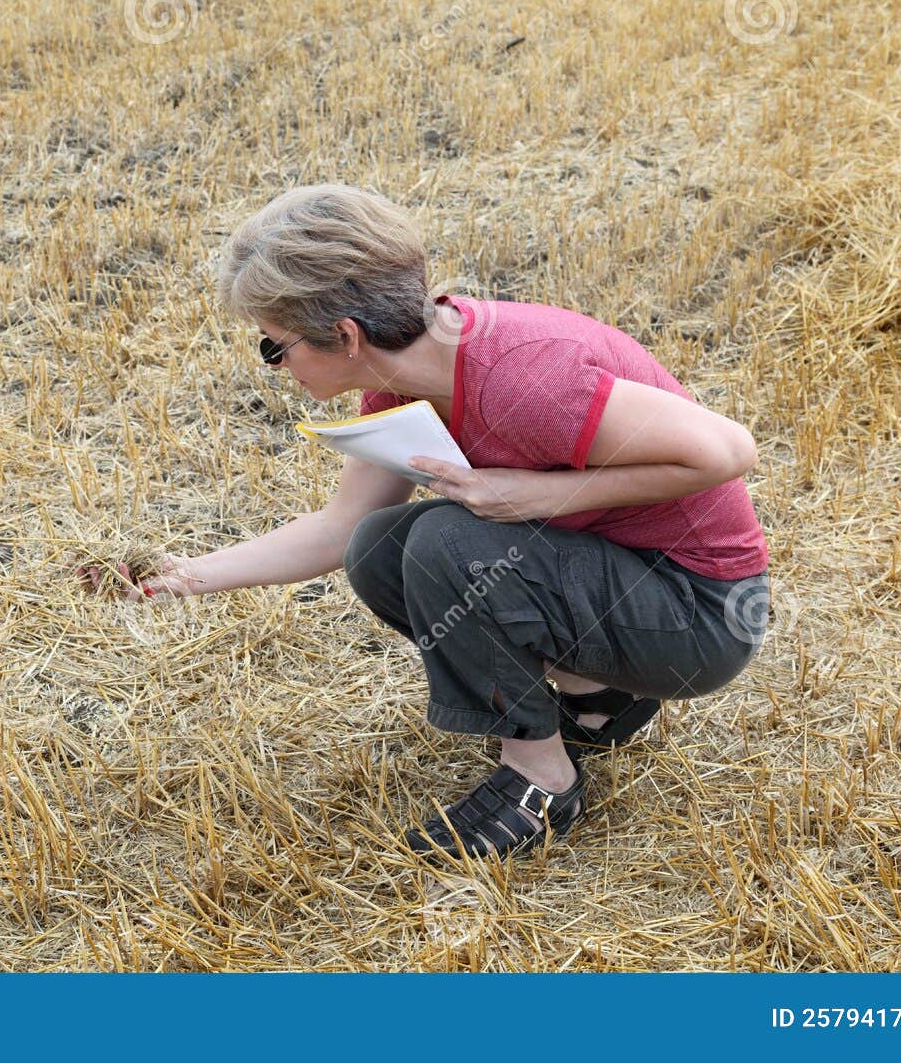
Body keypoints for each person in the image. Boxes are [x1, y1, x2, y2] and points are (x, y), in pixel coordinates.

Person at [80, 183, 771, 861]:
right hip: (626, 585)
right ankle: (600, 700)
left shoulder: (525, 375)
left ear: (345, 335)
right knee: (379, 547)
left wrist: (530, 496)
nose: (276, 366)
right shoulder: (404, 382)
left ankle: (543, 781)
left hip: (701, 616)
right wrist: (181, 577)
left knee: (447, 543)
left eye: (274, 347)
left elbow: (729, 449)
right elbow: (340, 526)